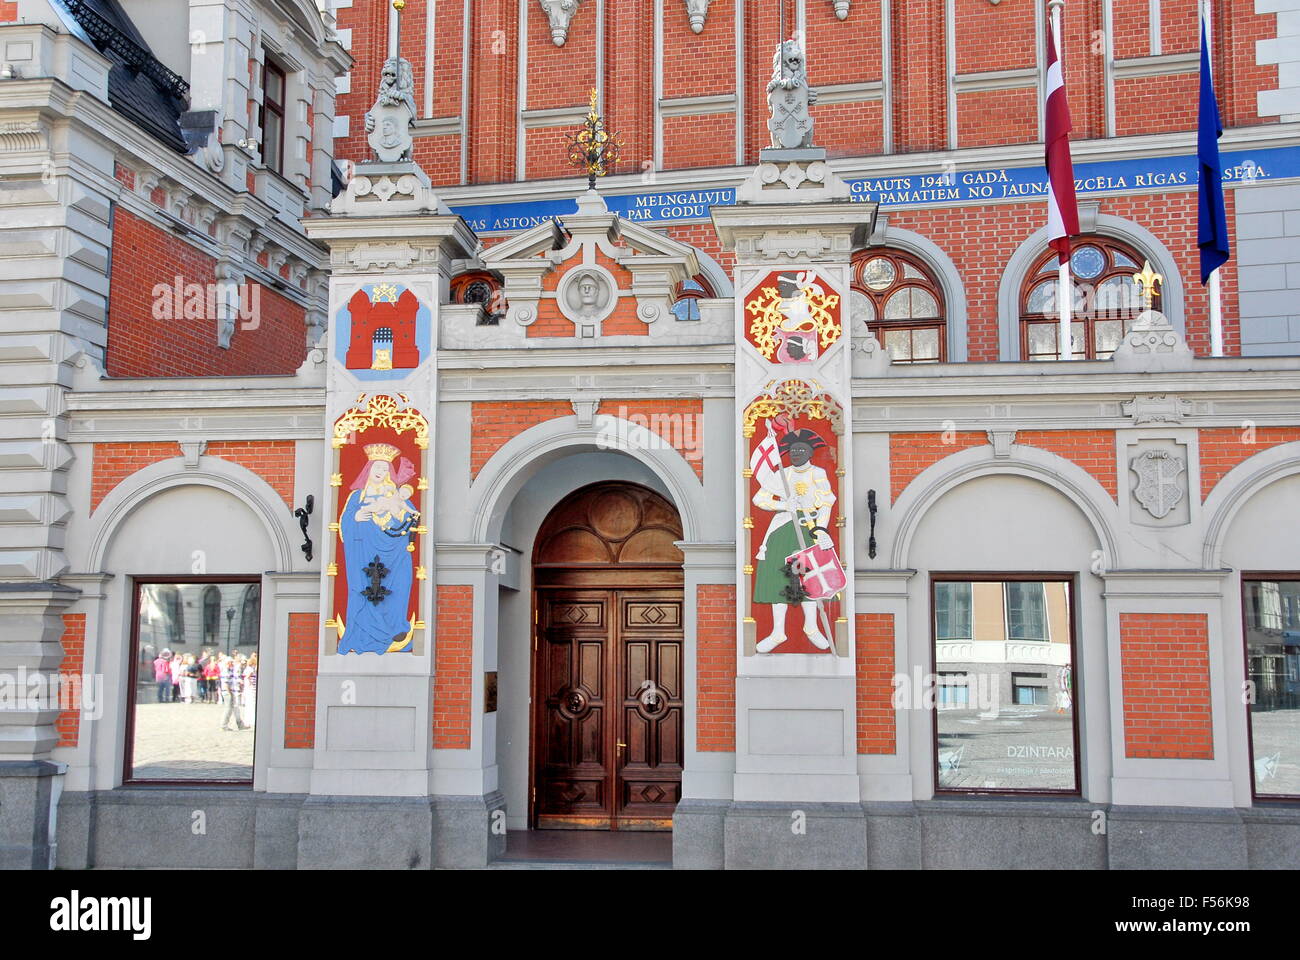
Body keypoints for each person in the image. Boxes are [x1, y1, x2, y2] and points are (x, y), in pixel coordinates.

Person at [752, 426, 835, 653]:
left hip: (807, 527)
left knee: (808, 577)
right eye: (793, 450)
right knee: (779, 577)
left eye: (801, 450)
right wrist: (782, 505)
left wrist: (821, 530)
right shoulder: (782, 475)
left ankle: (811, 626)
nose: (796, 453)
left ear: (809, 452)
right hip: (783, 528)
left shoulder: (817, 473)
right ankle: (778, 631)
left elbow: (827, 503)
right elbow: (759, 498)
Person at [337, 444, 420, 654]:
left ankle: (394, 629)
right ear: (369, 468)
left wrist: (397, 514)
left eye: (385, 469)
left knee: (398, 585)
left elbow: (411, 517)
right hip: (363, 552)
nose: (380, 472)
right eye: (377, 467)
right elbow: (345, 523)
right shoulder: (357, 497)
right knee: (364, 589)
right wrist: (355, 517)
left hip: (394, 552)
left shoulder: (396, 495)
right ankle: (361, 634)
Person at [220, 654, 247, 731]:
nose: (232, 664)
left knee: (233, 708)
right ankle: (224, 725)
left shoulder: (229, 670)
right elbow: (226, 684)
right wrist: (230, 692)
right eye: (230, 662)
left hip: (230, 691)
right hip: (227, 692)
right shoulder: (225, 671)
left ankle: (240, 724)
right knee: (228, 709)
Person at [242, 653, 258, 728]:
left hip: (250, 689)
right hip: (251, 689)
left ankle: (249, 721)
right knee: (251, 705)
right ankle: (250, 721)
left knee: (250, 705)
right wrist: (250, 684)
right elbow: (247, 678)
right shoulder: (251, 669)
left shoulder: (249, 669)